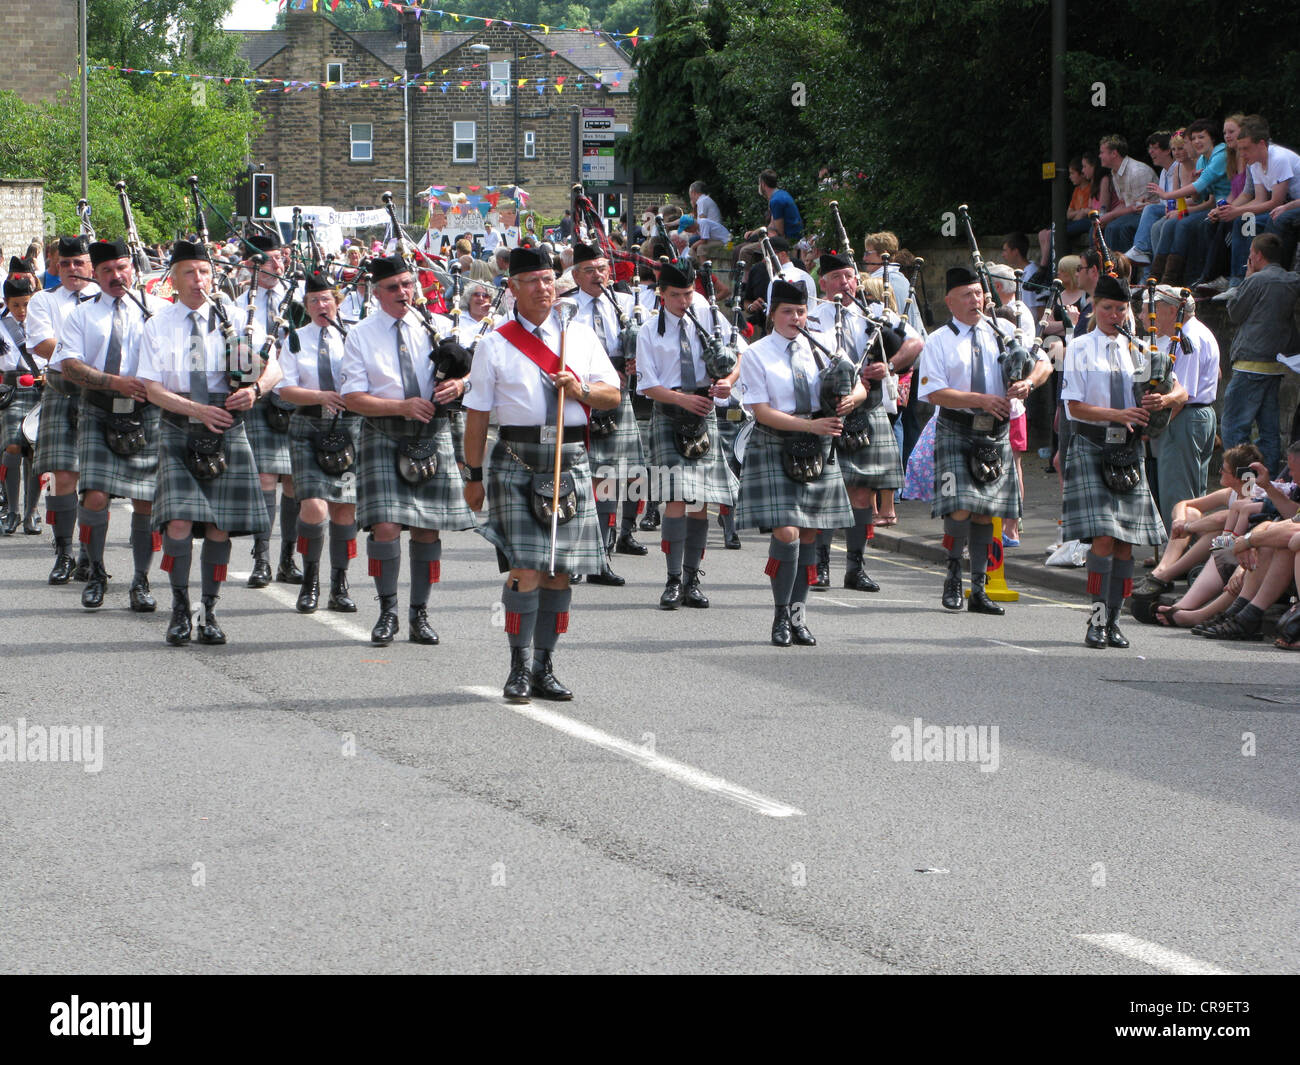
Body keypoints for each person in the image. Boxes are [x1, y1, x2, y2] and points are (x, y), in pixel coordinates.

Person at [462, 245, 622, 701]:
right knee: (526, 568)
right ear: (512, 289)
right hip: (516, 457)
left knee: (560, 572)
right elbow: (476, 416)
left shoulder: (579, 335)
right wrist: (473, 475)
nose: (543, 288)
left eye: (550, 279)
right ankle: (517, 664)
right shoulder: (495, 343)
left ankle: (544, 665)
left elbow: (612, 394)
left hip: (569, 460)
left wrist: (582, 389)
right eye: (532, 281)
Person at [138, 240, 279, 646]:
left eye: (203, 272)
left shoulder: (235, 318)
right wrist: (195, 410)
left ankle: (210, 610)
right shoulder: (158, 324)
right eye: (189, 273)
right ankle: (180, 608)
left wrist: (255, 392)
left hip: (227, 424)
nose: (198, 280)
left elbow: (275, 367)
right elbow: (150, 387)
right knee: (178, 523)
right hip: (180, 422)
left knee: (220, 526)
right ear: (174, 279)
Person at [339, 255, 476, 647]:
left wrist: (460, 386)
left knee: (427, 526)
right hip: (384, 430)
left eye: (407, 284)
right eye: (393, 287)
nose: (403, 293)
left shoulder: (436, 326)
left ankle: (420, 614)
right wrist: (400, 406)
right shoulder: (361, 334)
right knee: (385, 527)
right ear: (376, 292)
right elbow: (352, 397)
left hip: (431, 430)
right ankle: (387, 611)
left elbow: (474, 371)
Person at [917, 267, 1052, 614]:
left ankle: (978, 588)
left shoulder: (1004, 330)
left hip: (996, 430)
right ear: (950, 301)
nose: (975, 300)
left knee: (984, 513)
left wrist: (1029, 384)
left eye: (978, 293)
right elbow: (933, 393)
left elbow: (1045, 364)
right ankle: (951, 574)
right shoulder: (938, 341)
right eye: (967, 294)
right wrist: (980, 400)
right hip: (957, 426)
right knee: (959, 508)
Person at [1061, 273, 1183, 648]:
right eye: (1107, 308)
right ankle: (1096, 620)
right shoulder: (1080, 348)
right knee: (1102, 539)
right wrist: (1120, 415)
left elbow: (1179, 388)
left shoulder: (1141, 350)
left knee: (1127, 544)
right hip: (1094, 445)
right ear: (1094, 309)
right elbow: (1074, 408)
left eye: (1120, 308)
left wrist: (1165, 400)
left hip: (1129, 451)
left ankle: (1115, 619)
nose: (1114, 315)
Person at [736, 279, 855, 645]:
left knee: (809, 535)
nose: (796, 318)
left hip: (816, 446)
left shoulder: (822, 348)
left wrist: (852, 399)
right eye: (787, 311)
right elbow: (761, 411)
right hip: (776, 442)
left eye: (801, 311)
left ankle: (799, 617)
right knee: (786, 534)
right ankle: (780, 615)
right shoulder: (757, 354)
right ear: (772, 314)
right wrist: (810, 424)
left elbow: (855, 381)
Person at [51, 240, 166, 611]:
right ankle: (96, 571)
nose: (117, 276)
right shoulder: (82, 315)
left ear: (132, 267)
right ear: (95, 275)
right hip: (99, 409)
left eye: (122, 268)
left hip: (146, 411)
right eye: (107, 271)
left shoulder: (159, 311)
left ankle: (141, 580)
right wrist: (115, 382)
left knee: (146, 500)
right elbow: (68, 365)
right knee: (95, 496)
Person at [807, 252, 917, 590]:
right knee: (825, 491)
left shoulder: (874, 315)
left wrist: (890, 366)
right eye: (837, 277)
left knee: (861, 491)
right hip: (827, 412)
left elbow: (915, 342)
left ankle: (855, 567)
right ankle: (821, 565)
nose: (845, 282)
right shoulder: (812, 317)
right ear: (823, 283)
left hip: (867, 409)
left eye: (849, 276)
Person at [636, 258, 741, 609]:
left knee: (701, 502)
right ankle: (672, 579)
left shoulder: (709, 317)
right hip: (670, 414)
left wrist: (726, 382)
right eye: (677, 295)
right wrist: (683, 399)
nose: (685, 301)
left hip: (703, 415)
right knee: (677, 499)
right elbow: (648, 384)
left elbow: (738, 354)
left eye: (689, 293)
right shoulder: (649, 331)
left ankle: (693, 578)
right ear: (661, 294)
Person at [276, 269, 362, 614]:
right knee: (313, 505)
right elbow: (285, 389)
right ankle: (310, 580)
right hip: (309, 427)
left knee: (345, 508)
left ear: (337, 303)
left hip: (350, 428)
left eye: (326, 298)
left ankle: (339, 584)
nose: (321, 305)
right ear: (306, 306)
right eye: (314, 300)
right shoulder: (295, 339)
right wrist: (320, 396)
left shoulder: (354, 336)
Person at [568, 242, 647, 583]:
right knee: (577, 478)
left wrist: (637, 358)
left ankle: (600, 558)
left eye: (602, 269)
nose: (598, 275)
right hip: (580, 393)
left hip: (616, 391)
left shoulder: (628, 303)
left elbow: (650, 345)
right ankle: (573, 558)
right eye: (590, 270)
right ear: (575, 275)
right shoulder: (566, 306)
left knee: (611, 480)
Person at [27, 235, 98, 583]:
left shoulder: (107, 300)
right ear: (57, 265)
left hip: (102, 395)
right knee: (61, 476)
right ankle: (64, 552)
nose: (72, 269)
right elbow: (41, 343)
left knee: (96, 482)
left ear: (91, 264)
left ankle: (89, 555)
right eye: (65, 263)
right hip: (63, 390)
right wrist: (85, 362)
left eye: (79, 262)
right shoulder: (44, 300)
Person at [235, 233, 302, 589]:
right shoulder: (238, 303)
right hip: (259, 397)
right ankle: (261, 559)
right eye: (269, 259)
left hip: (296, 395)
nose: (278, 265)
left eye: (280, 258)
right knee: (265, 479)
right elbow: (234, 354)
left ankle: (287, 560)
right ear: (250, 264)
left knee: (293, 482)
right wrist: (250, 381)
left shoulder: (299, 298)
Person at [1221, 233, 1300, 474]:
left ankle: (1242, 482)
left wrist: (1244, 279)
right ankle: (1270, 483)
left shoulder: (1255, 281)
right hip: (1276, 364)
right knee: (1269, 431)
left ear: (1256, 255)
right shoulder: (1292, 280)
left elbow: (1235, 312)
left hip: (1250, 363)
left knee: (1234, 427)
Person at [1145, 285, 1220, 536]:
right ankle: (1186, 551)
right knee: (1193, 490)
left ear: (1171, 309)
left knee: (1178, 492)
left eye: (1154, 309)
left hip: (1184, 418)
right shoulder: (1198, 333)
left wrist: (1154, 429)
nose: (1150, 315)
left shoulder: (1186, 339)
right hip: (1199, 415)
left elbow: (1180, 395)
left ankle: (1178, 553)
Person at [0, 272, 41, 535]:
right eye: (16, 304)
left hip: (40, 390)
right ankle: (13, 510)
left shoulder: (42, 324)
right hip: (12, 391)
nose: (22, 310)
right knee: (13, 447)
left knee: (34, 451)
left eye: (26, 303)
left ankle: (31, 513)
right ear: (6, 302)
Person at [1097, 134, 1157, 254]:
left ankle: (1125, 268)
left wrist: (1111, 215)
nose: (1099, 156)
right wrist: (1104, 217)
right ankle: (1108, 267)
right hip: (1134, 212)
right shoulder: (1115, 172)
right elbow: (1125, 203)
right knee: (1097, 229)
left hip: (1148, 213)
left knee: (1118, 227)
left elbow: (1138, 207)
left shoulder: (1137, 172)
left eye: (1102, 152)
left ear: (1114, 153)